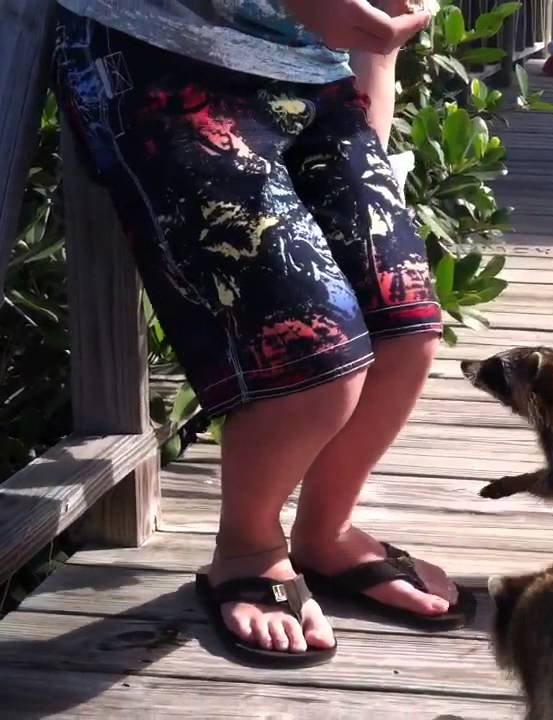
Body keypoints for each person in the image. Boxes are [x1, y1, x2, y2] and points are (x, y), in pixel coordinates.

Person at [53, 0, 471, 667]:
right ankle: (246, 548)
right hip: (155, 49)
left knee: (405, 325)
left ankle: (325, 532)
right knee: (310, 358)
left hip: (315, 75)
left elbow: (382, 22)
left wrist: (374, 66)